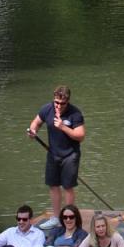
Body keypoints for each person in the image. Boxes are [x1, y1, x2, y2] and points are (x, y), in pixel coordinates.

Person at [27, 86, 85, 221]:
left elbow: (81, 136)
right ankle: (56, 218)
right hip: (53, 154)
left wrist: (63, 127)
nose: (58, 106)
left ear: (68, 101)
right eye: (56, 102)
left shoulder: (75, 113)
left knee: (68, 187)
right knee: (53, 185)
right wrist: (32, 131)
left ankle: (69, 218)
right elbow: (36, 122)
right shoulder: (47, 109)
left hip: (70, 155)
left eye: (62, 103)